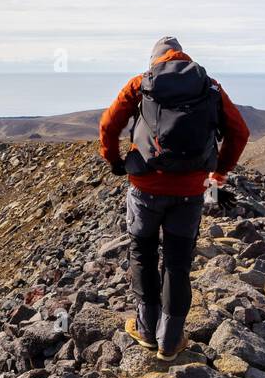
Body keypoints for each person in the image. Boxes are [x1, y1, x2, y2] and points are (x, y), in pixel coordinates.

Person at [98, 37, 250, 359]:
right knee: (178, 265)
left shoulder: (141, 84)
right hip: (189, 192)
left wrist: (113, 160)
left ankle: (145, 329)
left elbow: (108, 125)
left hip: (144, 188)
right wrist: (217, 176)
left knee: (143, 253)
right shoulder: (209, 87)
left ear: (155, 60)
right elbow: (240, 133)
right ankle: (170, 342)